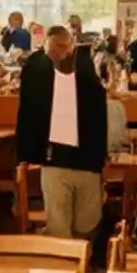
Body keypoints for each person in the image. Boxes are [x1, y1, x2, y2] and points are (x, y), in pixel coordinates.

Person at [16, 26, 107, 239]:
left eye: (62, 47)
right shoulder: (40, 71)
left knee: (81, 227)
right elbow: (27, 111)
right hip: (60, 160)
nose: (58, 53)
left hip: (77, 160)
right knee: (66, 228)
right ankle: (69, 267)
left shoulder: (84, 74)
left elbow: (100, 116)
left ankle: (76, 266)